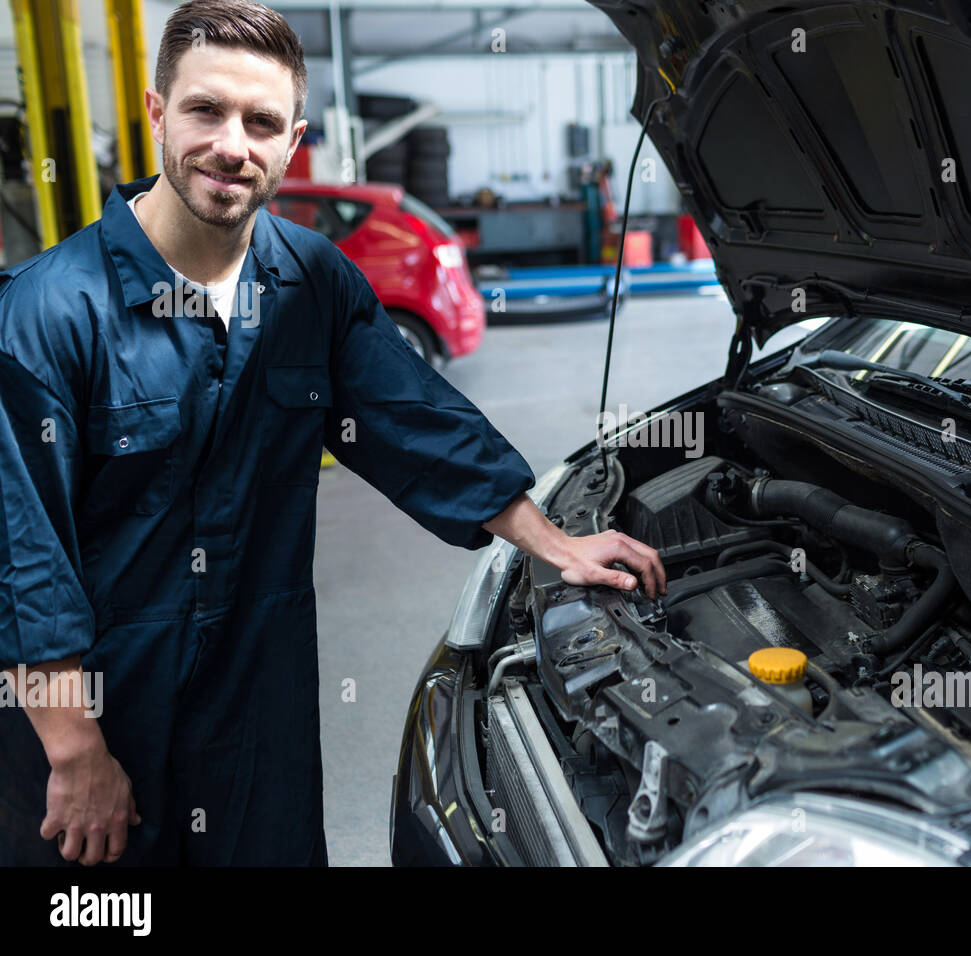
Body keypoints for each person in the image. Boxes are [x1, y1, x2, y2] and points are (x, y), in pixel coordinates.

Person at [0, 0, 665, 866]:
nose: (231, 145)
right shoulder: (49, 310)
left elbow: (416, 420)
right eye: (205, 110)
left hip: (254, 705)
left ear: (293, 140)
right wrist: (73, 748)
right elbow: (23, 555)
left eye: (262, 122)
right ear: (158, 113)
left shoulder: (310, 279)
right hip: (100, 718)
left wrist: (554, 544)